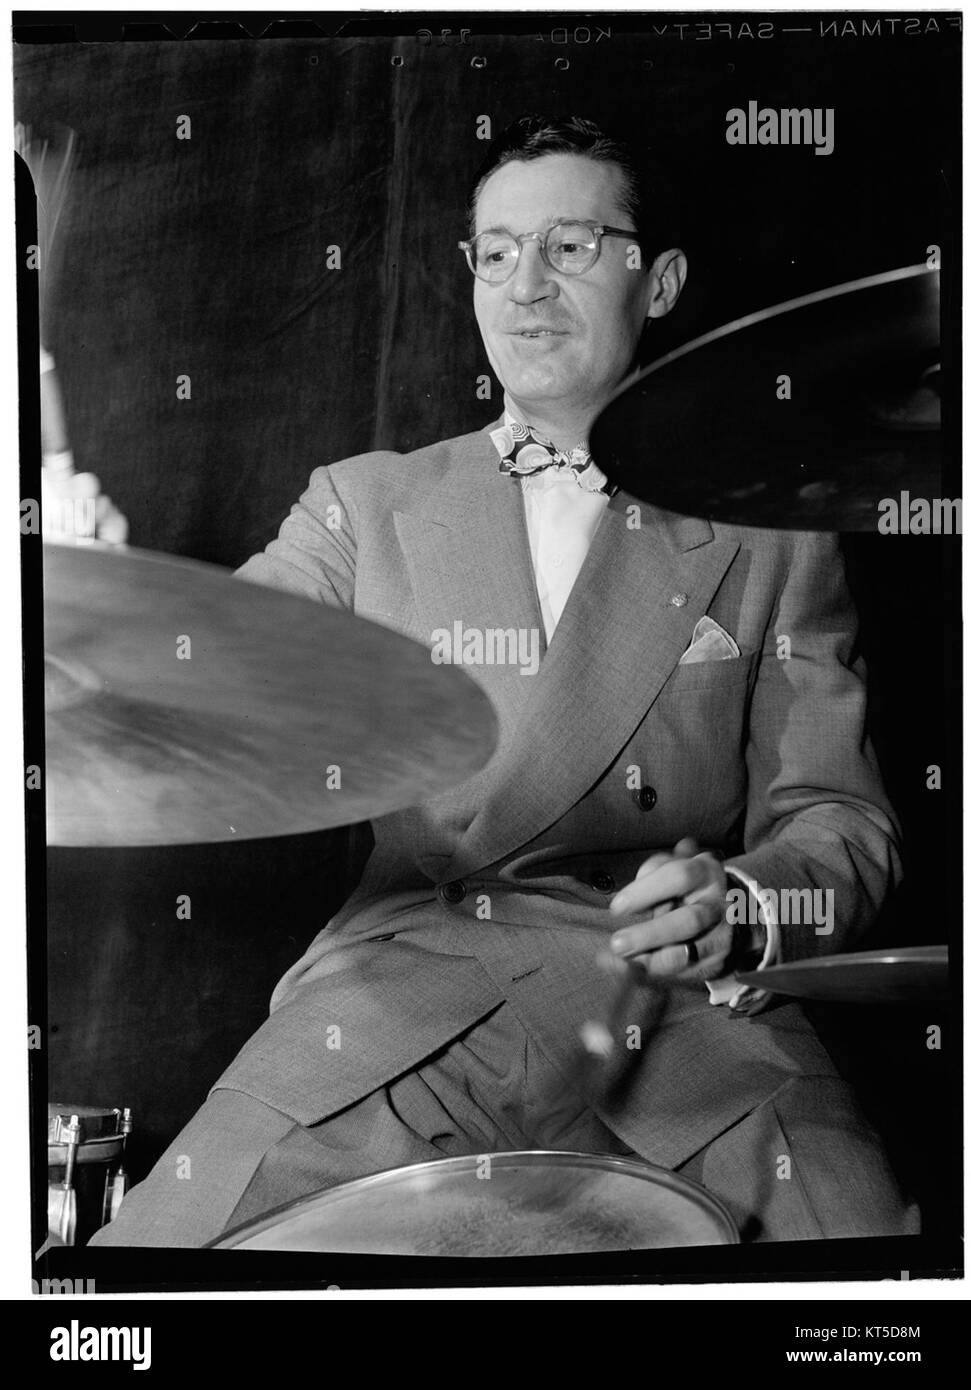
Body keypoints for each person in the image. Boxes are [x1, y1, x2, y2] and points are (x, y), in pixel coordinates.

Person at [92, 115, 917, 1249]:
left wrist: (747, 905)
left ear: (659, 279)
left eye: (571, 246)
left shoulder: (772, 529)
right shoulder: (362, 504)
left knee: (862, 1263)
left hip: (679, 1012)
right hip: (394, 996)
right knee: (145, 1264)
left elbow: (838, 819)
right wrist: (101, 605)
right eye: (494, 251)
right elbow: (217, 678)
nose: (524, 285)